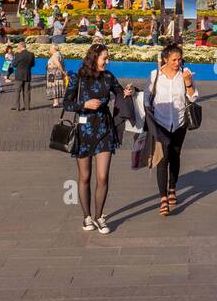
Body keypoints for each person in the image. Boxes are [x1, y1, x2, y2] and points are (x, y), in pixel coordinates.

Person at [64, 44, 133, 235]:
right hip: (84, 131)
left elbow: (120, 92)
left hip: (104, 130)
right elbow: (66, 103)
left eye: (108, 57)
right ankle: (86, 216)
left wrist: (128, 92)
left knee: (102, 177)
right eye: (105, 58)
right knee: (85, 177)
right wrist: (83, 104)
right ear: (94, 58)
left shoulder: (108, 76)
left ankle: (99, 216)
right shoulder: (78, 77)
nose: (107, 61)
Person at [142, 43, 199, 216]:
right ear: (165, 59)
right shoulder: (155, 75)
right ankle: (163, 198)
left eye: (179, 59)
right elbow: (146, 97)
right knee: (162, 159)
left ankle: (172, 187)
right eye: (174, 59)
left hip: (180, 123)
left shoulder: (185, 73)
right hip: (160, 123)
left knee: (175, 156)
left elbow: (193, 97)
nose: (177, 62)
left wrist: (188, 83)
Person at [11, 41, 35, 110]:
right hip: (27, 74)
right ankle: (27, 107)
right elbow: (33, 64)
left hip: (19, 75)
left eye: (18, 46)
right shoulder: (31, 54)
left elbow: (14, 65)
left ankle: (17, 107)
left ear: (21, 46)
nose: (17, 47)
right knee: (27, 92)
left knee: (17, 92)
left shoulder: (18, 55)